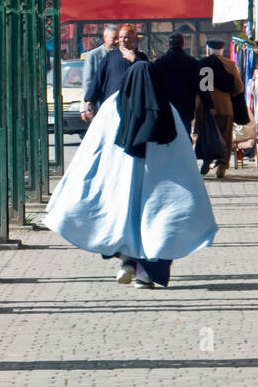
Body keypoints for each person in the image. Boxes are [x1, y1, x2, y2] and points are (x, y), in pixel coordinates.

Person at [44, 60, 217, 289]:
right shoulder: (167, 110)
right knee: (157, 226)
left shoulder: (111, 107)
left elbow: (93, 147)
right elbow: (182, 154)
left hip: (120, 182)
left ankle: (128, 260)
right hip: (161, 186)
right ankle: (144, 273)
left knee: (122, 221)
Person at [82, 22, 148, 121]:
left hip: (134, 104)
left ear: (133, 39)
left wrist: (135, 59)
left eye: (126, 37)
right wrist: (89, 101)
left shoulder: (141, 57)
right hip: (112, 104)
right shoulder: (110, 56)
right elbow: (98, 79)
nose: (122, 40)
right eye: (120, 37)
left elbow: (148, 76)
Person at [199, 38, 242, 178]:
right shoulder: (230, 64)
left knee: (208, 135)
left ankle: (207, 160)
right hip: (226, 107)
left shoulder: (203, 64)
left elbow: (203, 88)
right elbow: (239, 87)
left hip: (208, 107)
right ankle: (221, 167)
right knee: (225, 137)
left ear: (208, 49)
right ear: (222, 50)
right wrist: (228, 96)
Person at [151, 31, 209, 129]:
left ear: (169, 45)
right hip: (186, 108)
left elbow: (154, 86)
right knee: (185, 137)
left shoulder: (159, 62)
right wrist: (208, 104)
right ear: (183, 44)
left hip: (166, 108)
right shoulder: (192, 62)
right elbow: (201, 85)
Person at [81, 24, 118, 99]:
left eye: (118, 38)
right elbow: (88, 81)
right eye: (114, 38)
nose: (116, 41)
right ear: (105, 38)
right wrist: (89, 101)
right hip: (100, 100)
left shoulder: (122, 55)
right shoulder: (93, 55)